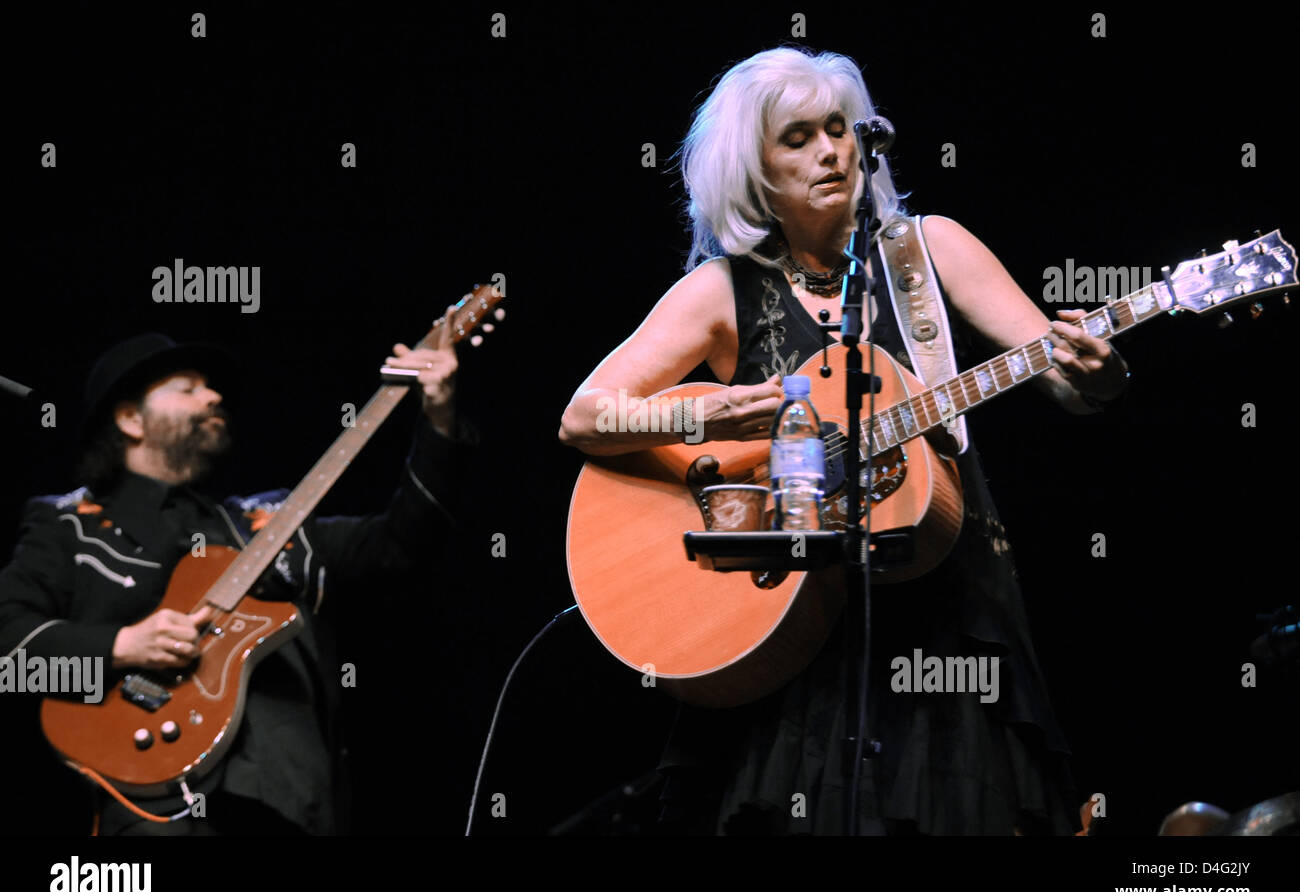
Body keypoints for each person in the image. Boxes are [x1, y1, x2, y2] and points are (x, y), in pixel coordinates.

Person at [558, 47, 1130, 835]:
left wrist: (1101, 372)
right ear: (753, 169)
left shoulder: (930, 253)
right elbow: (584, 416)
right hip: (790, 639)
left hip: (946, 613)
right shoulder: (723, 290)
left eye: (838, 128)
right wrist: (708, 418)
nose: (831, 150)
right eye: (797, 138)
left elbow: (1067, 381)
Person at [0, 319, 473, 835]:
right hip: (144, 807)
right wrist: (124, 644)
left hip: (285, 800)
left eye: (212, 387)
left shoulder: (270, 523)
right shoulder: (68, 524)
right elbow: (9, 648)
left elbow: (405, 545)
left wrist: (438, 416)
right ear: (131, 419)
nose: (213, 396)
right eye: (188, 389)